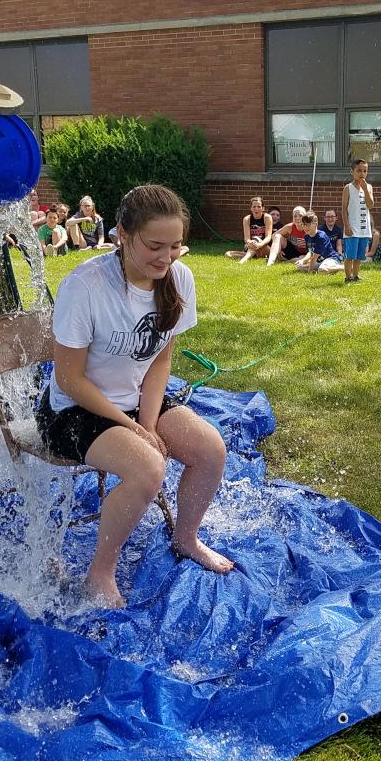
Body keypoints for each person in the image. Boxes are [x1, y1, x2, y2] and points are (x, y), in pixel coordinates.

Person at [36, 183, 234, 609]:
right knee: (148, 468)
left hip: (134, 399)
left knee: (211, 449)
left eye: (176, 246)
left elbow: (161, 360)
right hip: (73, 410)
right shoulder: (85, 286)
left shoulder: (178, 278)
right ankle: (100, 573)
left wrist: (146, 423)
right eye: (155, 246)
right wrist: (133, 429)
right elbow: (69, 380)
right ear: (122, 235)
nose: (166, 257)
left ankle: (186, 539)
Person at [341, 158, 374, 283]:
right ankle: (347, 277)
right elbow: (344, 210)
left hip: (364, 229)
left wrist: (365, 189)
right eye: (359, 171)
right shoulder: (347, 188)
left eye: (365, 171)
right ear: (352, 171)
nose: (362, 174)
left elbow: (370, 205)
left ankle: (355, 276)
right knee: (350, 255)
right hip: (352, 228)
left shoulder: (369, 187)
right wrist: (347, 226)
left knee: (360, 255)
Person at [224, 196, 274, 263]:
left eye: (259, 206)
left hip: (265, 247)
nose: (256, 209)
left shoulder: (267, 217)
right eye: (254, 206)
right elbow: (246, 238)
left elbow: (268, 237)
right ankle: (252, 256)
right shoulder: (247, 219)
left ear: (263, 208)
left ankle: (243, 261)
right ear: (251, 208)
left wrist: (260, 245)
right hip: (252, 246)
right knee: (228, 254)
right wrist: (249, 242)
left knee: (256, 239)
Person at [296, 210, 344, 274]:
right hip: (320, 261)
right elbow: (311, 252)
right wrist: (303, 260)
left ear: (315, 224)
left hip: (331, 259)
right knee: (299, 267)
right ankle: (324, 267)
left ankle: (343, 267)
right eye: (303, 225)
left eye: (308, 225)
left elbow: (314, 257)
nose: (305, 227)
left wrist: (310, 271)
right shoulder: (307, 237)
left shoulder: (321, 237)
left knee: (322, 270)